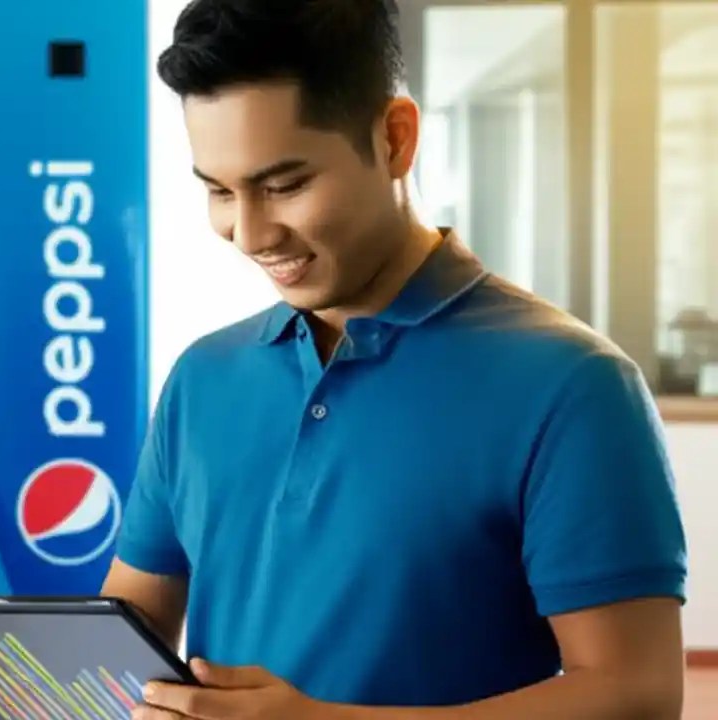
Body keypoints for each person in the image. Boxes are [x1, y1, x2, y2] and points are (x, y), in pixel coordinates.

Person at [101, 1, 688, 718]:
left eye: (284, 185)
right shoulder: (203, 377)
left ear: (395, 138)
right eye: (220, 190)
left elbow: (636, 694)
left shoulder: (573, 385)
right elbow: (128, 631)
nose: (248, 234)